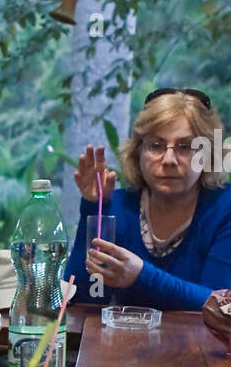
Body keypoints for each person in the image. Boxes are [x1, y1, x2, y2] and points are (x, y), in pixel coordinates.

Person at [64, 87, 231, 309]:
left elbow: (221, 307)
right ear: (137, 153)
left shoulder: (224, 208)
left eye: (185, 147)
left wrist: (142, 276)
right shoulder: (119, 206)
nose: (169, 159)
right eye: (156, 146)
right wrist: (94, 208)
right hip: (127, 342)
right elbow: (83, 298)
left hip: (204, 345)